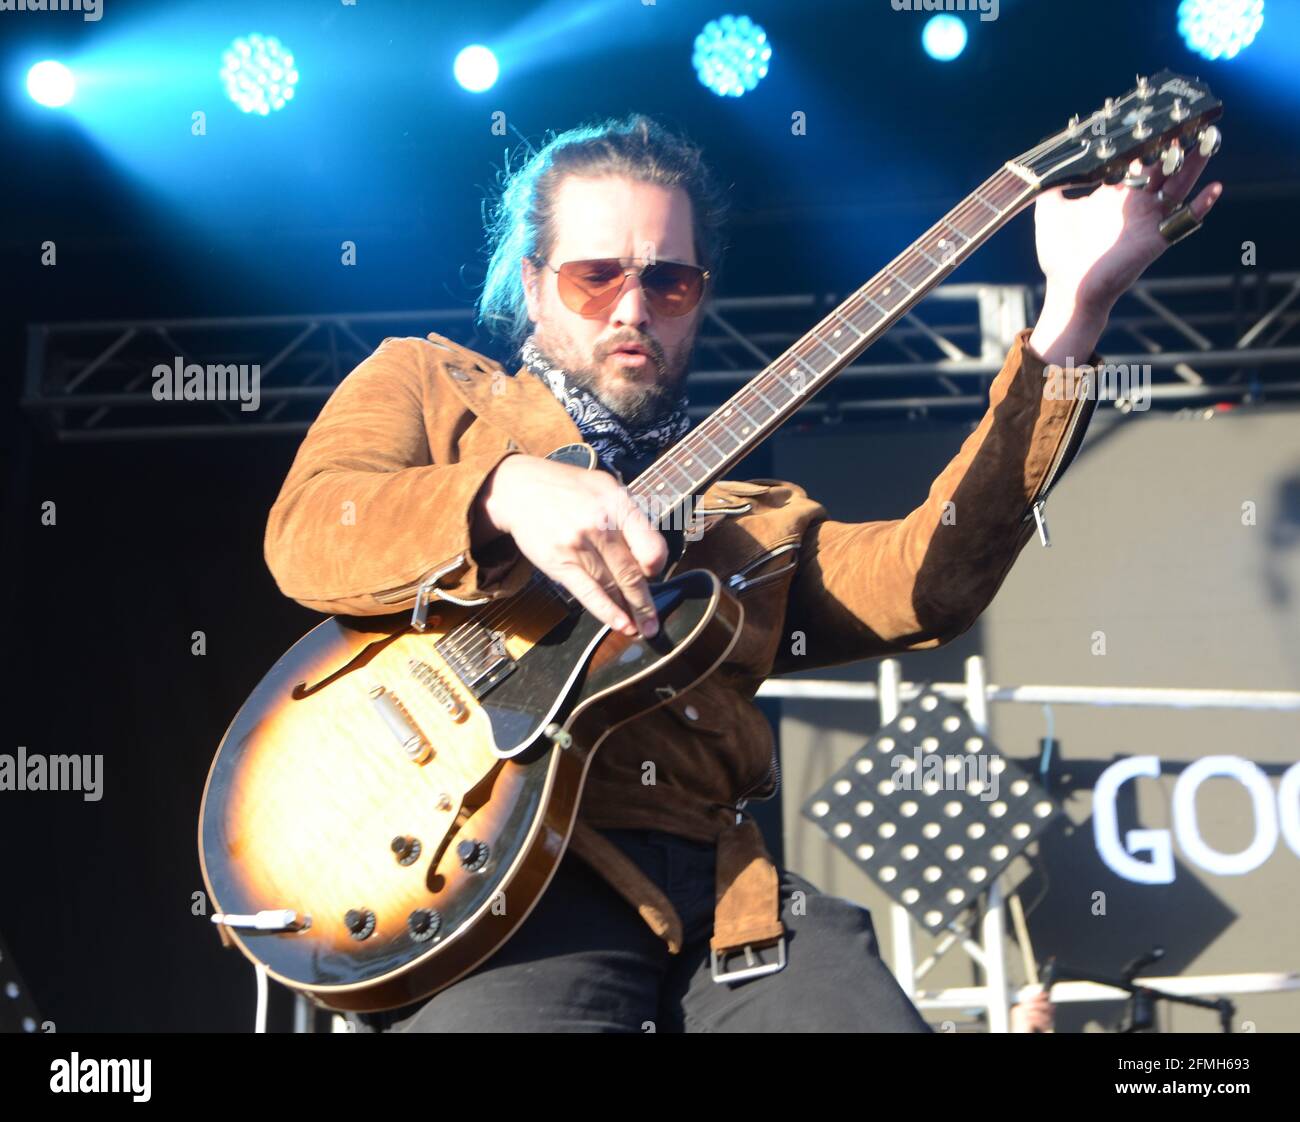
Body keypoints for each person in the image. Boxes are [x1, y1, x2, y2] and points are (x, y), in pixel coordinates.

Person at [263, 114, 1220, 1032]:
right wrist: (502, 492)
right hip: (502, 875)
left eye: (668, 281)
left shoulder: (753, 519)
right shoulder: (434, 389)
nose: (632, 308)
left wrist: (1073, 314)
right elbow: (308, 530)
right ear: (533, 284)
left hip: (721, 895)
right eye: (594, 276)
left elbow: (931, 586)